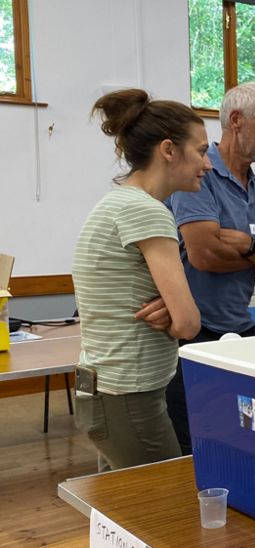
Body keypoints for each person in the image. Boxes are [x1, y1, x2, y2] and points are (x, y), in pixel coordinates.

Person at [73, 89, 205, 471]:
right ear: (168, 150)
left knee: (124, 516)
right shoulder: (146, 211)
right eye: (200, 150)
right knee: (165, 517)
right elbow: (188, 323)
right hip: (127, 394)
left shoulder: (117, 202)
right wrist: (176, 310)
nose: (206, 164)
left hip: (107, 388)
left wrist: (171, 306)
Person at [164, 81, 255, 455]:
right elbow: (205, 255)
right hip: (193, 339)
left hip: (241, 335)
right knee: (196, 449)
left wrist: (243, 242)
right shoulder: (197, 176)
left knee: (245, 440)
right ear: (235, 120)